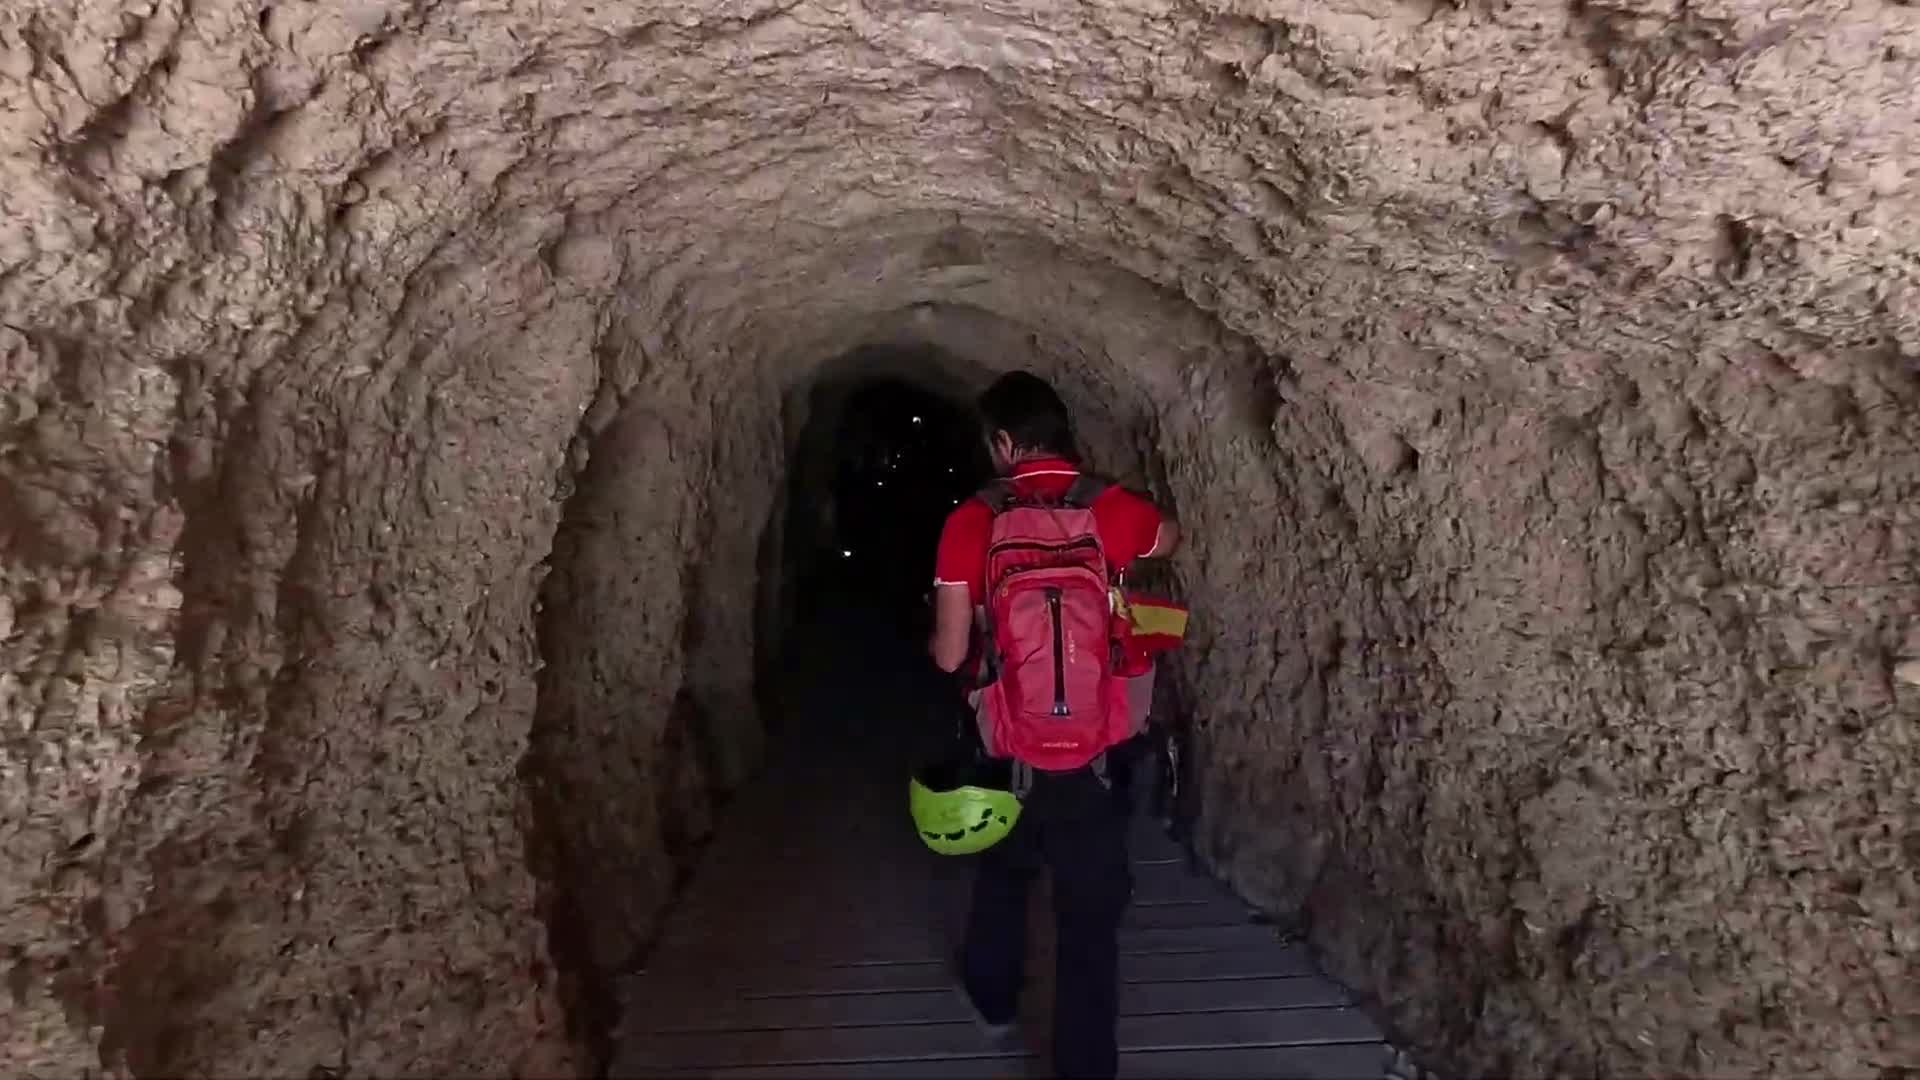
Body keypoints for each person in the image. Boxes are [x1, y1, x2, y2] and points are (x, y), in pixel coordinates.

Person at [927, 371, 1180, 1079]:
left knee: (1005, 869)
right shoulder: (1108, 508)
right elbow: (1171, 538)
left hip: (1011, 739)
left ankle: (992, 998)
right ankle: (1084, 1065)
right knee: (1089, 915)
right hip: (1095, 747)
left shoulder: (971, 519)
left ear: (1006, 443)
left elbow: (949, 653)